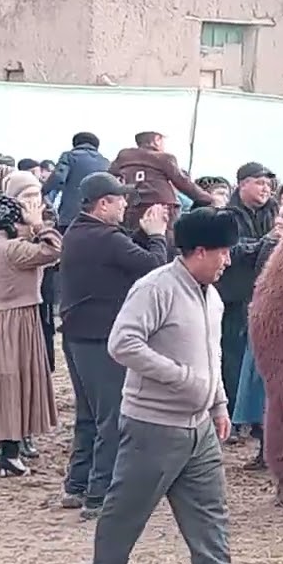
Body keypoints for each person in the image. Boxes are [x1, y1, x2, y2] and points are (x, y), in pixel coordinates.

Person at [88, 207, 260, 564]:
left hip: (199, 426)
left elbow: (211, 354)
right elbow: (123, 343)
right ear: (198, 251)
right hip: (153, 425)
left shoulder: (211, 296)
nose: (228, 260)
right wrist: (182, 378)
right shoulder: (155, 288)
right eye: (223, 252)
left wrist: (218, 403)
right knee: (127, 512)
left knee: (209, 513)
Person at [59, 173, 170, 518]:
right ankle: (99, 495)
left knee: (88, 415)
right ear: (103, 203)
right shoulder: (106, 239)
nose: (126, 203)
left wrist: (141, 235)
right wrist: (157, 236)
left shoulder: (78, 231)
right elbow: (153, 266)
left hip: (78, 335)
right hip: (101, 338)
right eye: (120, 198)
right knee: (111, 418)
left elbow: (122, 253)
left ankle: (77, 485)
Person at [0, 180, 62, 476]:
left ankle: (6, 446)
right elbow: (52, 251)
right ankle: (8, 452)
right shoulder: (13, 248)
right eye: (27, 198)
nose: (34, 204)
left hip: (3, 318)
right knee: (13, 382)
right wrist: (40, 225)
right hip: (17, 321)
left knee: (6, 382)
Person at [231, 199, 283, 471]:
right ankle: (266, 450)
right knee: (260, 391)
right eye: (279, 215)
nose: (278, 221)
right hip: (263, 325)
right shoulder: (269, 246)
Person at [216, 161, 278, 441]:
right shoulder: (228, 215)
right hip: (235, 298)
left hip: (263, 297)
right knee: (233, 358)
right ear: (242, 185)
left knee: (258, 363)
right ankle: (230, 417)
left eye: (268, 184)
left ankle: (256, 421)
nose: (265, 189)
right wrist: (266, 242)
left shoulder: (273, 212)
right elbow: (231, 248)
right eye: (259, 183)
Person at [109, 131, 213, 242]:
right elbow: (185, 184)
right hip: (162, 210)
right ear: (157, 140)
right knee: (166, 245)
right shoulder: (164, 158)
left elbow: (108, 176)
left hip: (132, 209)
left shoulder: (124, 156)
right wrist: (208, 199)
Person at [43, 131, 110, 230]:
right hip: (97, 216)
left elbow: (58, 178)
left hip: (70, 215)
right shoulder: (105, 162)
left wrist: (42, 192)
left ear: (75, 143)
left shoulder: (69, 156)